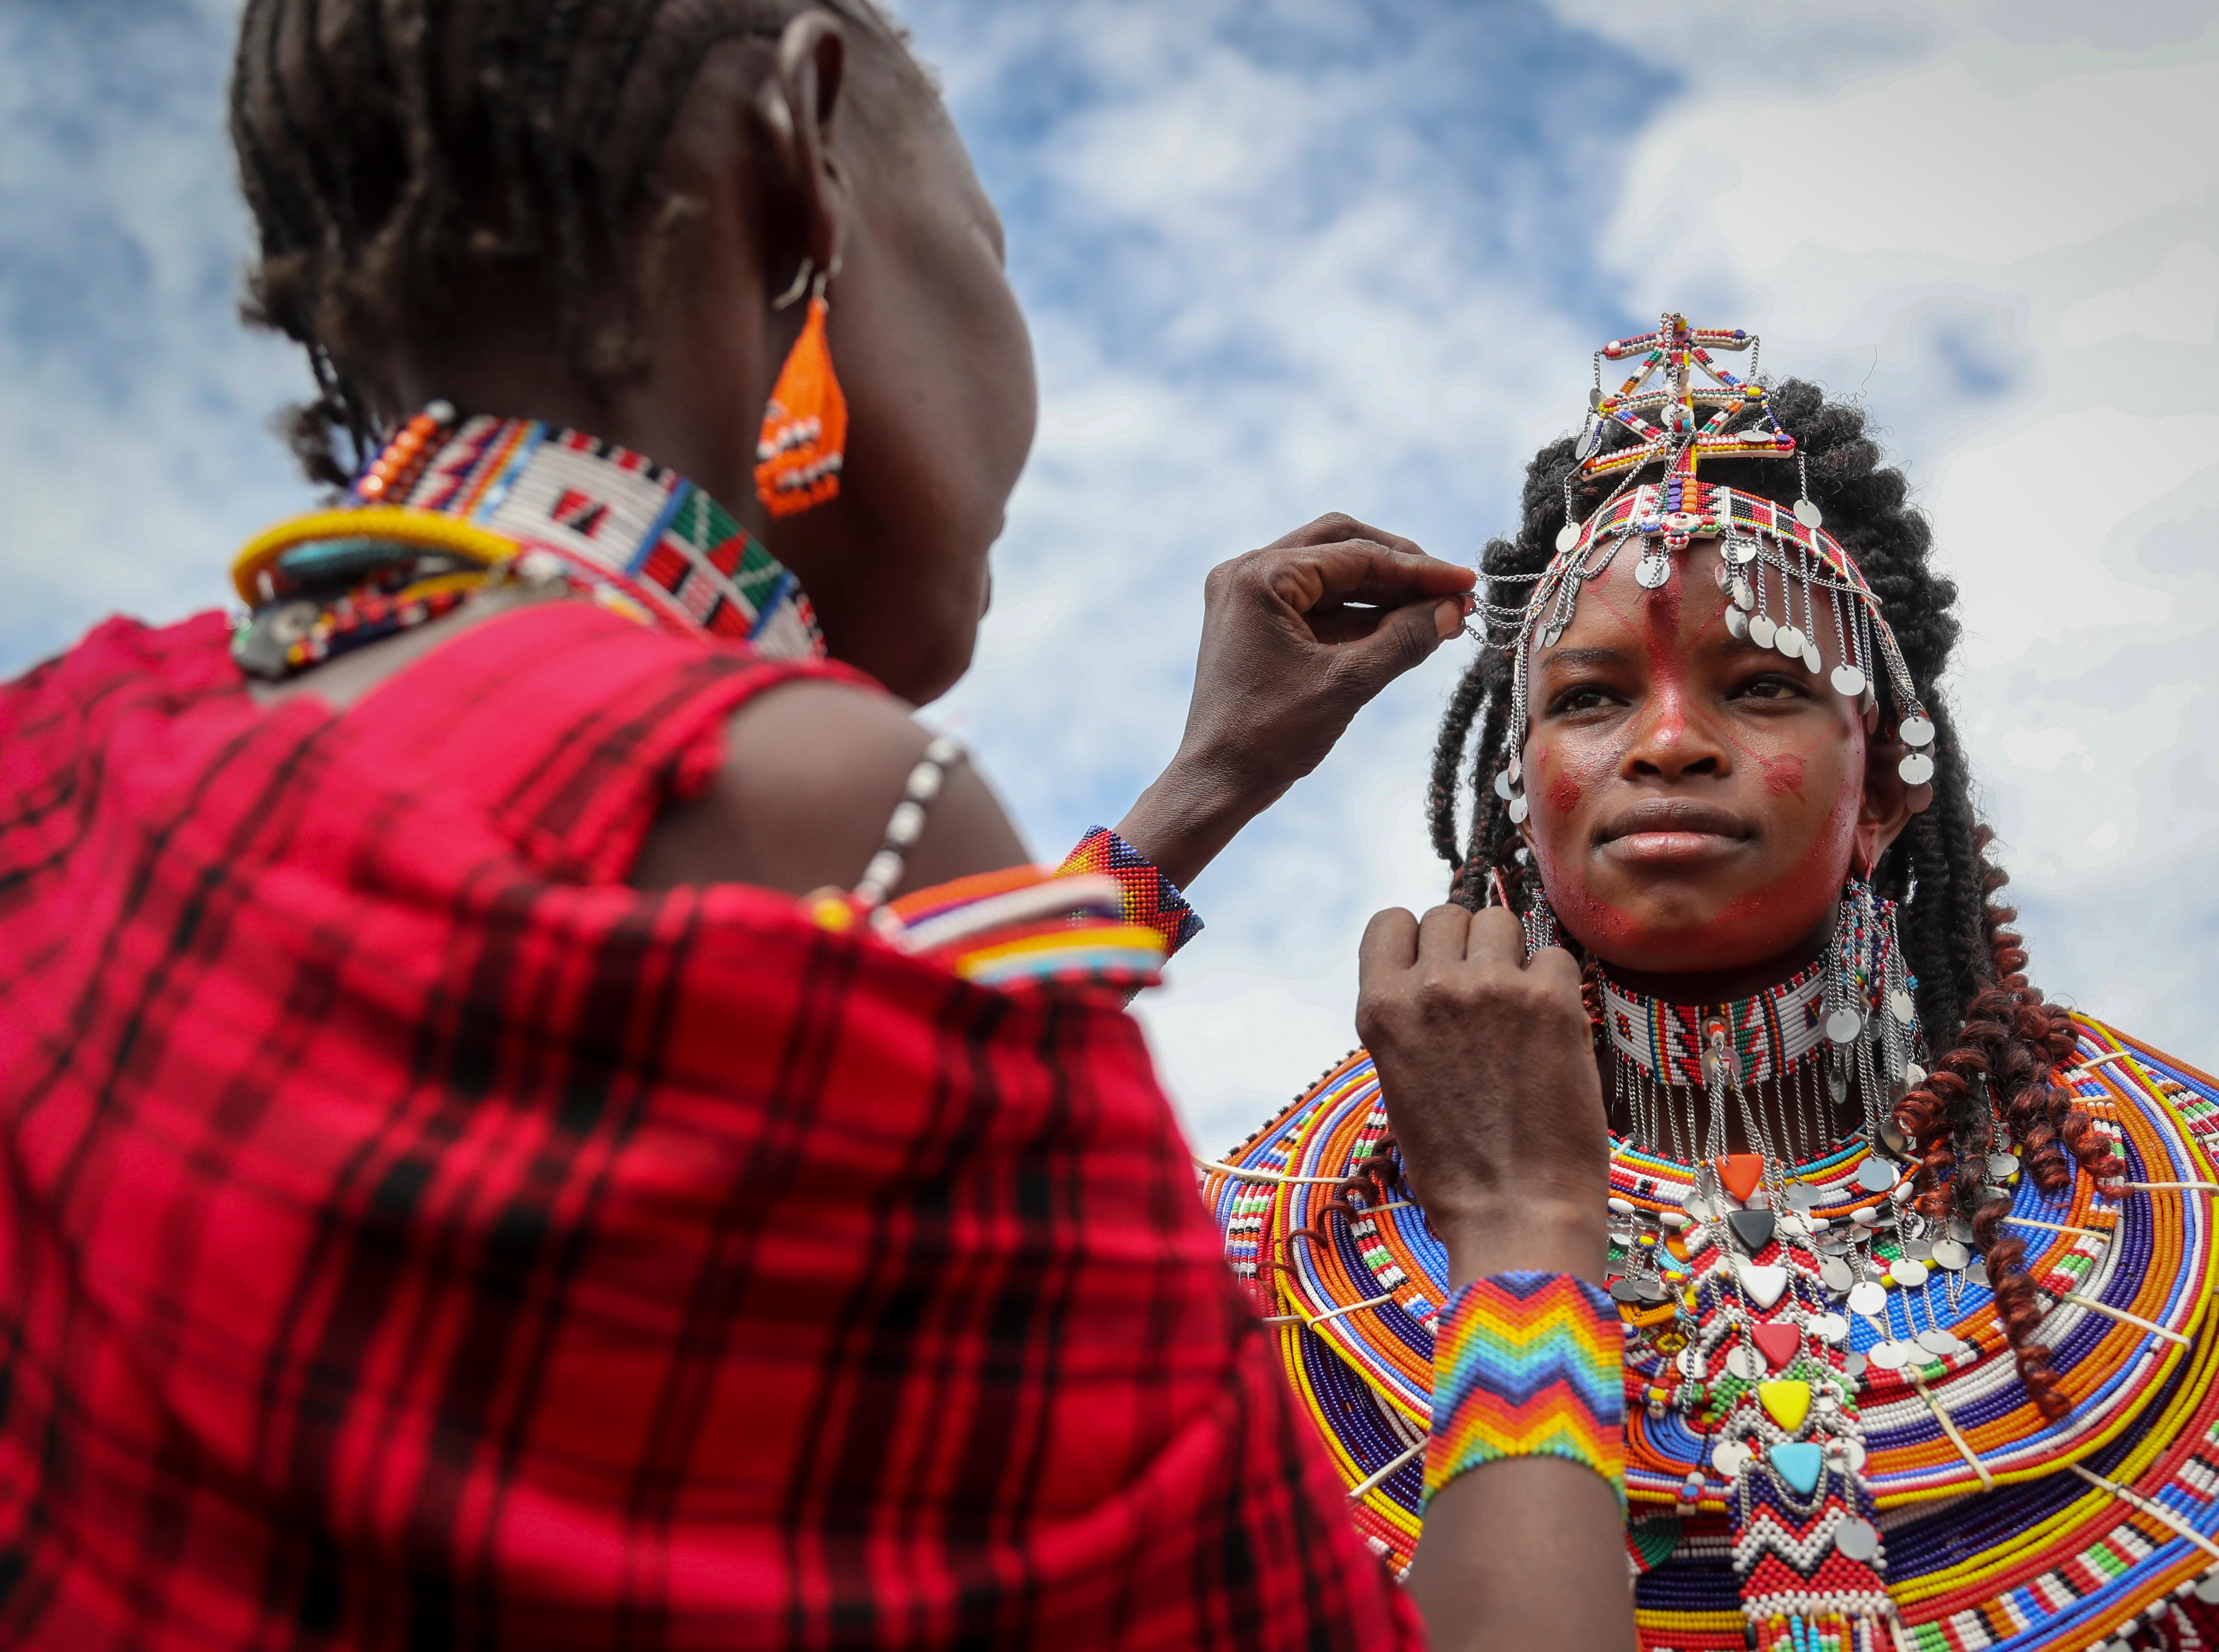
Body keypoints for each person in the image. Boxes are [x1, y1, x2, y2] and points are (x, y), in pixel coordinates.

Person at [0, 3, 1622, 1648]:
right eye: (985, 253)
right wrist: (1526, 1225)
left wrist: (1195, 797)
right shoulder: (833, 802)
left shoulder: (67, 748)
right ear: (803, 151)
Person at [1207, 317, 2219, 1652]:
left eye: (1760, 686)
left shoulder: (2185, 1210)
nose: (1673, 743)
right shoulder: (1283, 1250)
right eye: (1589, 698)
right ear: (1519, 793)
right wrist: (1200, 795)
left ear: (1889, 792)